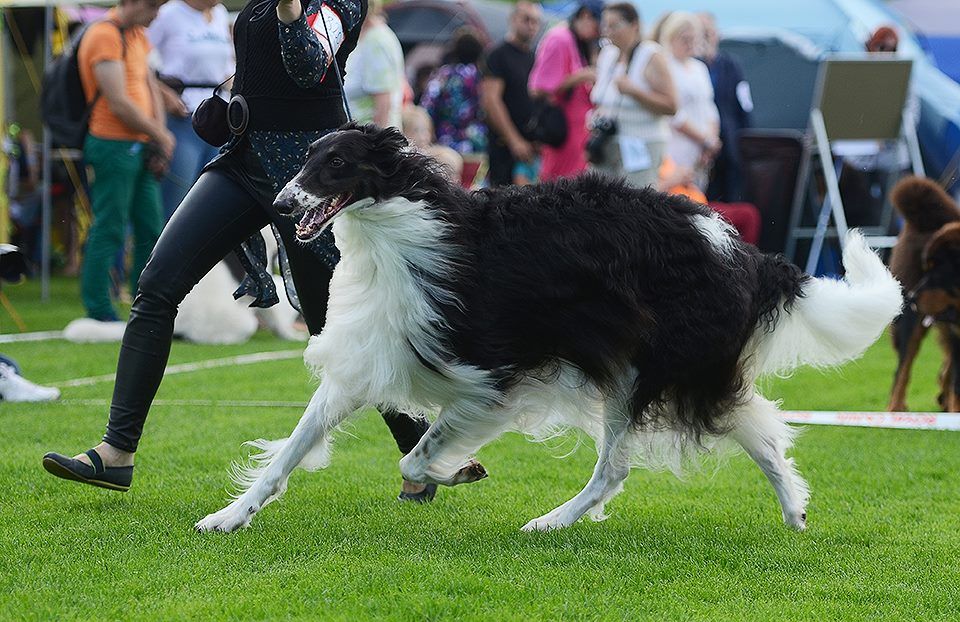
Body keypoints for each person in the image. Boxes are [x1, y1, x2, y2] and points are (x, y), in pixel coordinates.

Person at [43, 0, 444, 503]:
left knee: (336, 326)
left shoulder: (340, 4)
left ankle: (420, 452)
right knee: (157, 284)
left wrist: (290, 9)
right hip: (244, 161)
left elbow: (308, 64)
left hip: (311, 179)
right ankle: (116, 452)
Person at [76, 0, 174, 324]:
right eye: (151, 6)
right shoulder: (104, 34)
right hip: (112, 144)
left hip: (140, 143)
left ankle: (144, 303)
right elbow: (118, 102)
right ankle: (99, 308)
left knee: (151, 228)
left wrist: (159, 133)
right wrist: (160, 135)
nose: (157, 13)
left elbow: (149, 85)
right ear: (130, 2)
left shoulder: (136, 33)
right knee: (110, 226)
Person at [148, 0, 235, 221]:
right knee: (177, 202)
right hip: (184, 115)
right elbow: (139, 60)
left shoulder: (219, 13)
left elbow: (226, 65)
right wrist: (163, 92)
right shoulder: (169, 13)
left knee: (213, 201)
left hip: (217, 116)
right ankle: (165, 254)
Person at [589, 2, 676, 188]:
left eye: (615, 25)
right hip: (607, 143)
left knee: (634, 208)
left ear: (634, 25)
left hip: (641, 146)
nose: (608, 31)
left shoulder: (651, 55)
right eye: (605, 25)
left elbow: (672, 106)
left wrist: (635, 93)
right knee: (595, 201)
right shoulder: (607, 55)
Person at [528, 0, 602, 181]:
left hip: (578, 137)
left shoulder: (579, 42)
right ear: (585, 15)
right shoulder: (560, 38)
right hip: (562, 134)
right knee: (557, 191)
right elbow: (538, 88)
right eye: (599, 25)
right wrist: (581, 76)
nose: (599, 33)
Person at [480, 0, 542, 186]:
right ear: (513, 19)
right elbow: (491, 100)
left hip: (530, 144)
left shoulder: (534, 56)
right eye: (526, 19)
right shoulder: (498, 54)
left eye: (536, 21)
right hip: (504, 145)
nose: (531, 26)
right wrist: (514, 140)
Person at [660, 11, 720, 191]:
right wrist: (705, 140)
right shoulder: (666, 67)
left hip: (701, 152)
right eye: (684, 39)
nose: (690, 44)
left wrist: (711, 141)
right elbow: (674, 114)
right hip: (677, 148)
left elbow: (710, 107)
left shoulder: (699, 68)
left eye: (693, 39)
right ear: (671, 38)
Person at [698, 12, 752, 202]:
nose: (706, 37)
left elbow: (744, 106)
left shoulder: (732, 65)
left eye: (709, 32)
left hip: (730, 145)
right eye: (701, 32)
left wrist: (744, 142)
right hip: (700, 144)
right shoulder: (691, 66)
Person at [420, 28, 488, 155]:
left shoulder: (442, 75)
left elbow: (426, 107)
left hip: (445, 142)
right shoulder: (483, 78)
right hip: (477, 142)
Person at [342, 0, 405, 128]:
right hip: (357, 136)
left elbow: (383, 101)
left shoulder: (377, 41)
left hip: (368, 139)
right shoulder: (363, 36)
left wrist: (376, 144)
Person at [401, 104, 463, 183]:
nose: (423, 136)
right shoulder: (405, 159)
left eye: (426, 130)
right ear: (403, 132)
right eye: (416, 131)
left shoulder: (432, 154)